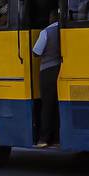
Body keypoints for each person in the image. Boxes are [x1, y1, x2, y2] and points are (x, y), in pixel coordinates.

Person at [31, 8, 62, 148]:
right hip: (62, 69)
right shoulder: (64, 30)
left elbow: (36, 52)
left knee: (47, 106)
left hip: (48, 71)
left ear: (50, 18)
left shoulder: (46, 32)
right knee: (58, 105)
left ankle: (43, 138)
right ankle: (57, 138)